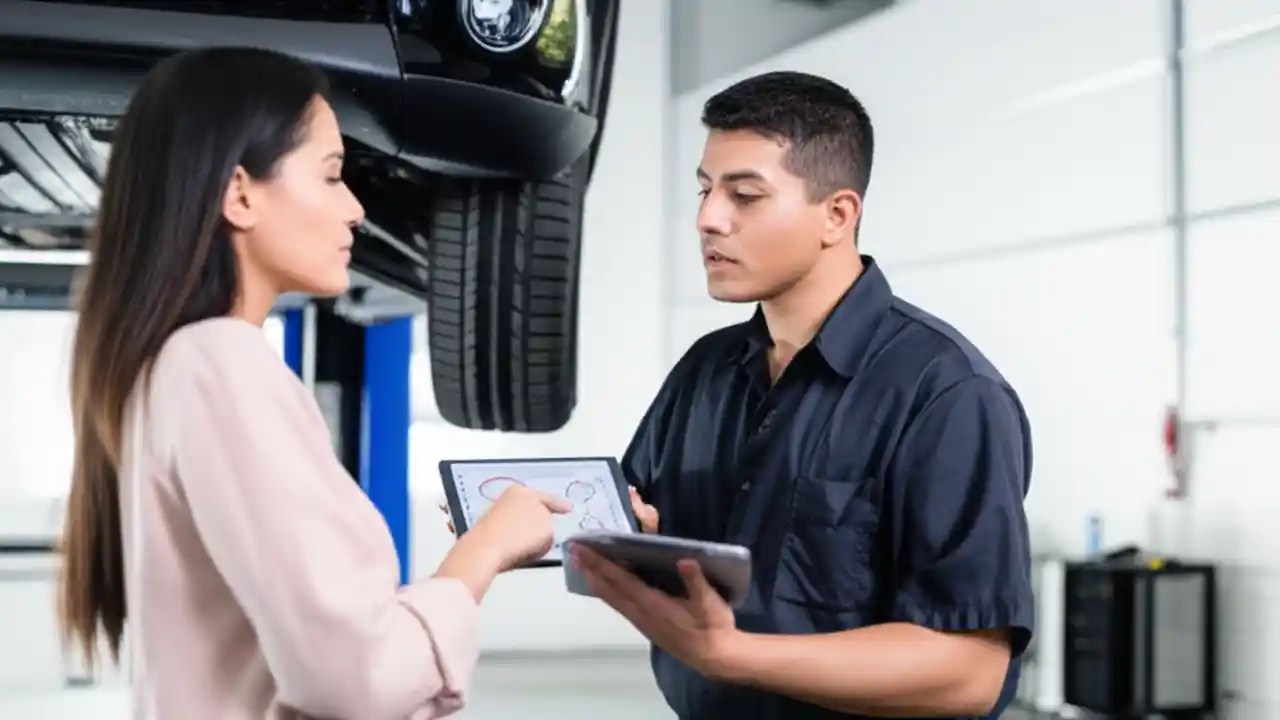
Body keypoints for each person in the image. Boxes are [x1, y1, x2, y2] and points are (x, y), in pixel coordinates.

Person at [57, 46, 570, 720]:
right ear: (239, 193)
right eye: (332, 176)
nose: (356, 208)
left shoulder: (172, 366)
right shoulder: (220, 363)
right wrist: (486, 549)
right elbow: (355, 681)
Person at [573, 70, 1035, 719]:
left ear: (837, 214)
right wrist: (558, 524)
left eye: (746, 195)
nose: (709, 219)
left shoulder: (947, 393)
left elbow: (970, 670)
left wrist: (732, 656)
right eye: (706, 191)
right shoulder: (706, 372)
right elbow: (637, 510)